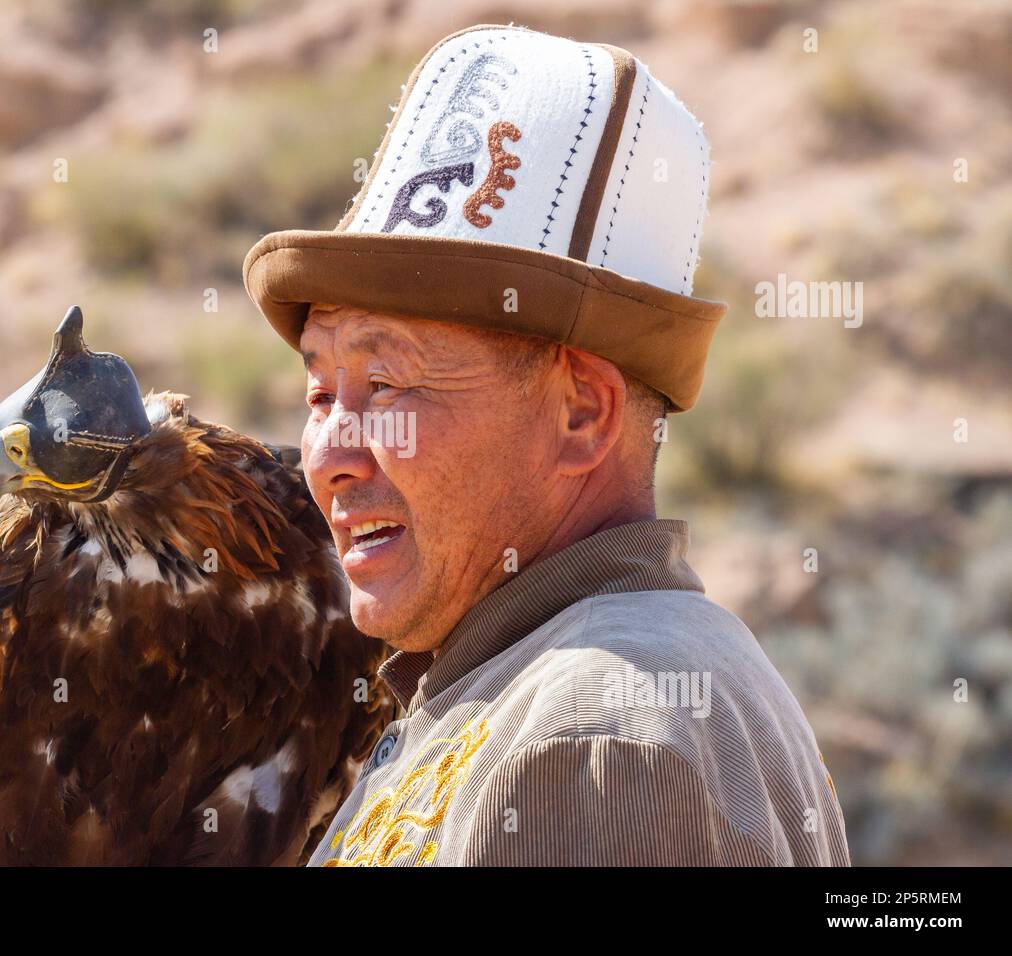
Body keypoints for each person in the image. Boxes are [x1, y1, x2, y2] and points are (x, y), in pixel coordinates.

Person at [243, 23, 850, 866]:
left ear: (582, 415)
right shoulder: (562, 689)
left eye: (384, 387)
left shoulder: (592, 740)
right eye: (319, 394)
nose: (326, 455)